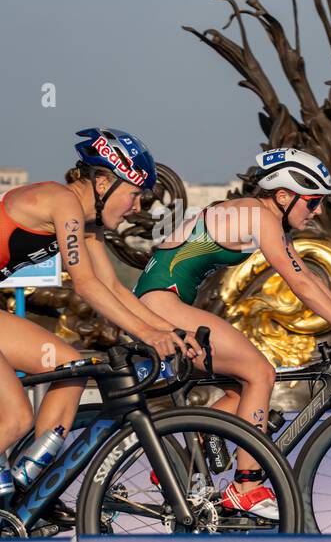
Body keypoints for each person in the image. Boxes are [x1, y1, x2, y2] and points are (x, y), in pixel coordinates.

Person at [133, 147, 331, 518]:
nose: (319, 211)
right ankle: (247, 486)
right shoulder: (260, 217)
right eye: (313, 202)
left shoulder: (256, 214)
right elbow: (300, 285)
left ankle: (184, 463)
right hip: (162, 308)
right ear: (284, 196)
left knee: (242, 388)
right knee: (261, 372)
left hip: (159, 306)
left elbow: (308, 278)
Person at [0, 127, 199, 497]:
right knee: (14, 417)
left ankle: (30, 489)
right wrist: (148, 334)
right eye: (134, 194)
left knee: (70, 367)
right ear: (104, 181)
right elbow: (86, 285)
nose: (137, 208)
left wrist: (171, 331)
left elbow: (113, 288)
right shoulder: (61, 201)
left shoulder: (84, 222)